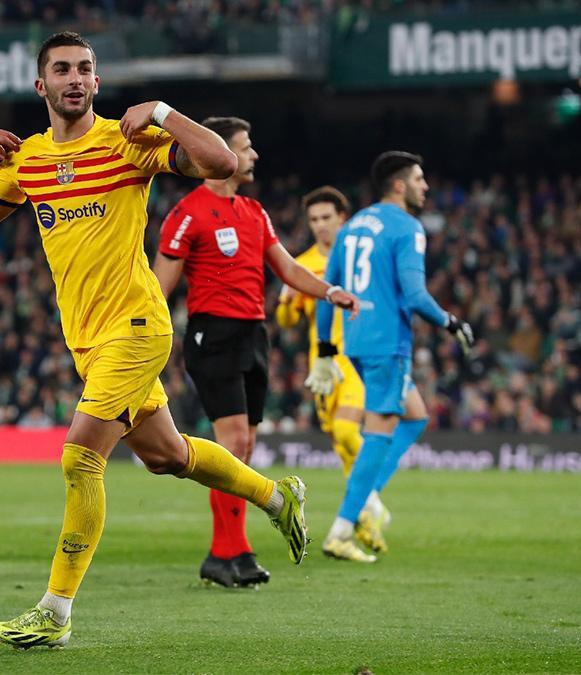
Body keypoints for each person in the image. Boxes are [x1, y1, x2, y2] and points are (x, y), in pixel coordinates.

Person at [0, 31, 313, 650]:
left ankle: (55, 611)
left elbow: (222, 164)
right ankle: (276, 496)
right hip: (87, 339)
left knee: (80, 457)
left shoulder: (126, 143)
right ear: (41, 85)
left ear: (97, 83)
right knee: (168, 456)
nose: (74, 78)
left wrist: (165, 112)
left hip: (138, 326)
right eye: (62, 69)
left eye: (84, 69)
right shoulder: (30, 160)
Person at [153, 122, 360, 587]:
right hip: (213, 334)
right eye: (246, 148)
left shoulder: (253, 210)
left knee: (244, 448)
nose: (254, 156)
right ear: (221, 153)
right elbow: (159, 286)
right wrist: (143, 334)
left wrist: (330, 292)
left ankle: (233, 551)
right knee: (231, 446)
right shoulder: (187, 212)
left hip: (253, 334)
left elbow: (287, 267)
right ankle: (227, 553)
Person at [308, 152, 474, 561]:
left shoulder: (352, 226)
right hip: (387, 342)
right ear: (399, 185)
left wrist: (326, 349)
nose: (425, 186)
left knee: (415, 415)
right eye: (419, 179)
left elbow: (328, 291)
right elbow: (415, 295)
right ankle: (343, 529)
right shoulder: (407, 227)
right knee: (380, 430)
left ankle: (368, 496)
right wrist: (451, 322)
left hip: (356, 341)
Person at [275, 186, 374, 562]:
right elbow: (286, 321)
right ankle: (359, 521)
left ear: (342, 218)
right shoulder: (301, 265)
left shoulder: (360, 260)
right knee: (342, 446)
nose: (320, 225)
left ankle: (373, 501)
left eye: (326, 218)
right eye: (314, 219)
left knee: (348, 433)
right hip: (323, 368)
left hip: (357, 360)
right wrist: (288, 301)